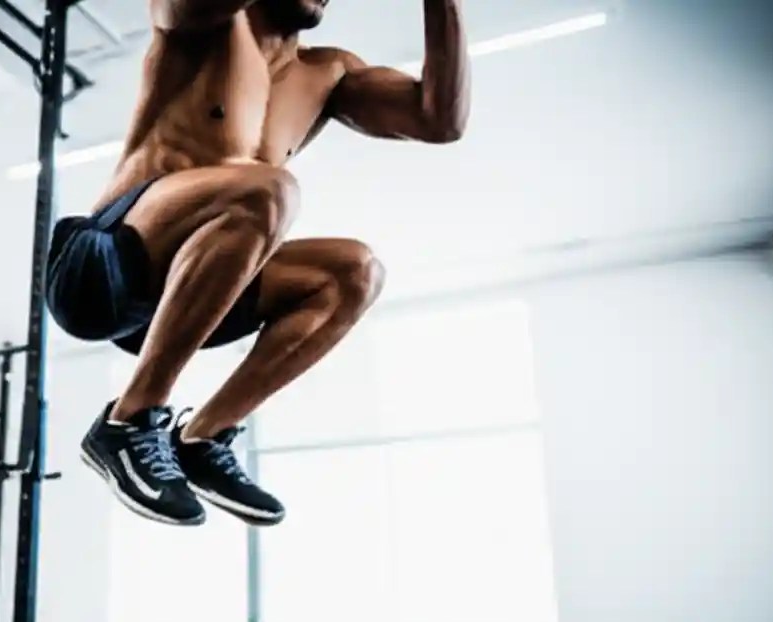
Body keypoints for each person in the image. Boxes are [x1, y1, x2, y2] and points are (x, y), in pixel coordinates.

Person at [47, 0, 470, 527]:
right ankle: (128, 422)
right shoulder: (204, 21)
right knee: (267, 189)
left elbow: (439, 120)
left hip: (188, 295)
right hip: (103, 268)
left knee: (356, 272)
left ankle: (203, 438)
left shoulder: (327, 72)